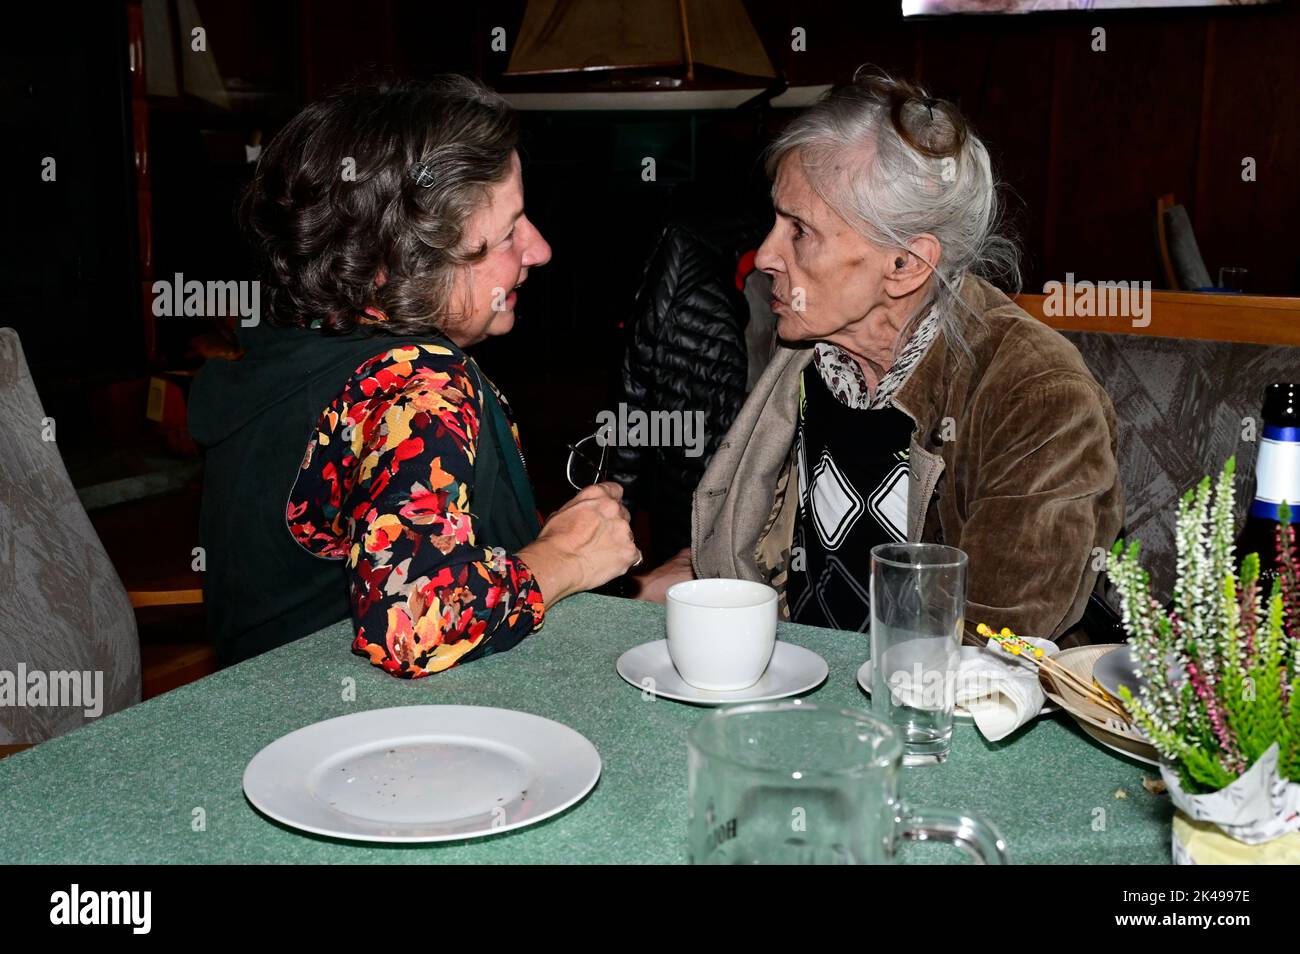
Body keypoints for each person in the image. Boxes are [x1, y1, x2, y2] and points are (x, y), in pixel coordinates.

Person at [639, 69, 1123, 643]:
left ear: (906, 265)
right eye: (775, 220)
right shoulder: (811, 348)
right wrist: (701, 574)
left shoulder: (1038, 399)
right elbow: (771, 535)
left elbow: (994, 653)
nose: (764, 254)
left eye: (800, 231)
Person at [189, 76, 639, 675]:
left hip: (253, 718)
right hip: (350, 736)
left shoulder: (292, 346)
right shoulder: (415, 381)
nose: (538, 249)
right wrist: (566, 557)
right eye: (507, 233)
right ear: (394, 267)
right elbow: (413, 624)